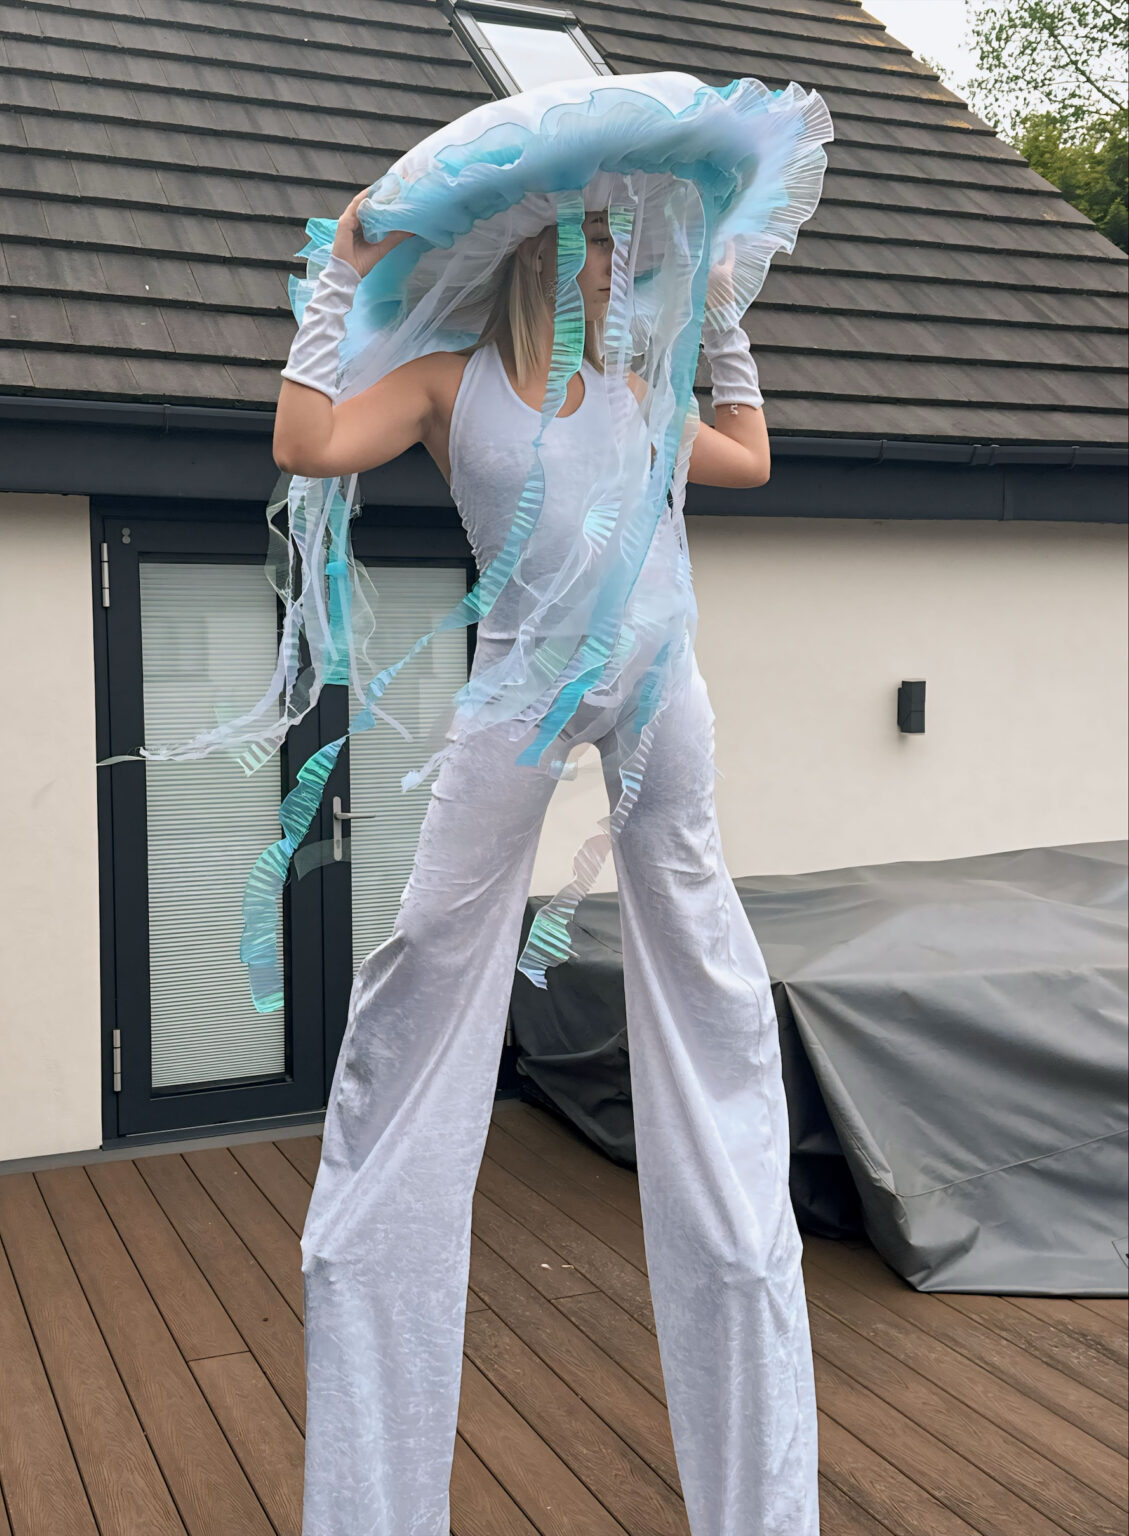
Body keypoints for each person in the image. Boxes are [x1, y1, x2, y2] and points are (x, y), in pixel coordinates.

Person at [283, 174, 820, 1536]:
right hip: (521, 693)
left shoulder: (643, 391)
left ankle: (742, 1266)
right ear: (539, 254)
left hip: (656, 683)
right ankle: (373, 1241)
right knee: (432, 947)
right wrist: (338, 272)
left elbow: (750, 458)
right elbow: (308, 441)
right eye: (598, 246)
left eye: (626, 251)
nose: (618, 268)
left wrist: (718, 319)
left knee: (698, 944)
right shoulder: (447, 383)